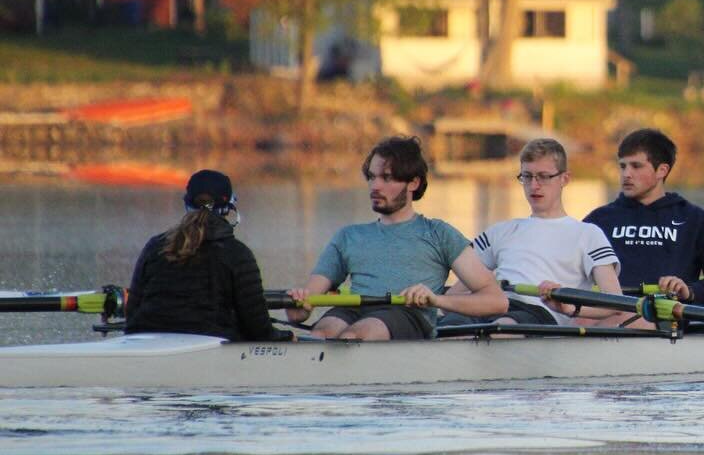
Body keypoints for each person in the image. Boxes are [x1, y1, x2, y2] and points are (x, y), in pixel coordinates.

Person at [286, 136, 508, 340]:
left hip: (408, 314)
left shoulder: (439, 234)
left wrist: (437, 300)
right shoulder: (348, 236)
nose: (375, 186)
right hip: (353, 308)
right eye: (372, 177)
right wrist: (299, 306)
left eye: (387, 178)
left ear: (413, 183)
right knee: (322, 334)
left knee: (354, 336)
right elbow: (303, 307)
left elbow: (496, 301)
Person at [460, 138, 626, 326]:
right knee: (449, 322)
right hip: (493, 306)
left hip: (538, 316)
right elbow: (457, 292)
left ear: (565, 179)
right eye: (527, 176)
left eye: (544, 176)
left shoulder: (588, 234)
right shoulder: (501, 231)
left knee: (504, 325)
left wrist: (569, 308)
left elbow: (615, 304)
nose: (534, 185)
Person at [126, 170, 290, 341]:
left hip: (142, 339)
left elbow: (132, 312)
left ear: (187, 204)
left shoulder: (155, 246)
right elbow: (259, 329)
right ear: (229, 208)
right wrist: (287, 336)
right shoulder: (237, 254)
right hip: (209, 344)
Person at [583, 128, 704, 304]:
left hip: (664, 318)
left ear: (662, 170)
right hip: (604, 316)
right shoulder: (599, 219)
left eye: (636, 166)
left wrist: (690, 291)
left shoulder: (694, 220)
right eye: (622, 166)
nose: (626, 174)